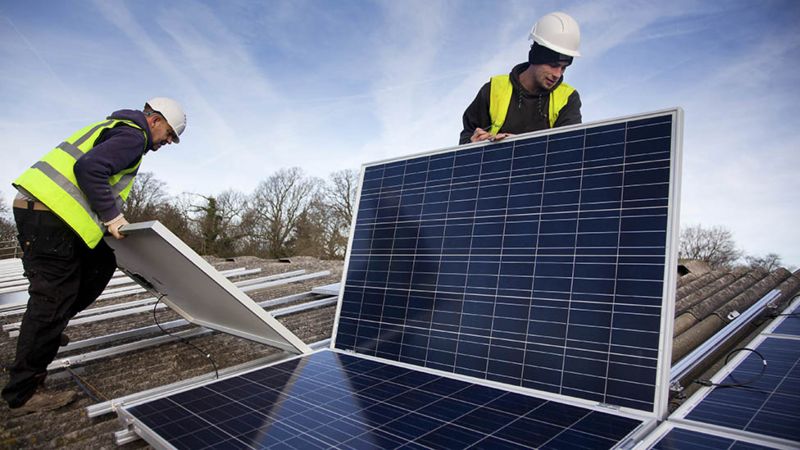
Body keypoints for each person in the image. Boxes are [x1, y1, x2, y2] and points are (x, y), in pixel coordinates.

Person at [2, 97, 186, 415]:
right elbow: (89, 168)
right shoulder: (134, 135)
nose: (168, 141)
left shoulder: (118, 128)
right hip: (49, 215)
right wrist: (113, 217)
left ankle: (48, 332)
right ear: (155, 120)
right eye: (169, 133)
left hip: (50, 213)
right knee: (52, 299)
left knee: (100, 263)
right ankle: (24, 393)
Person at [459, 11, 582, 144]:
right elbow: (467, 136)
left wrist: (519, 146)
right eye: (553, 65)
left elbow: (568, 148)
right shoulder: (494, 89)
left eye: (563, 68)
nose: (558, 74)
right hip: (495, 165)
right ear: (536, 56)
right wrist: (472, 144)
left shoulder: (568, 98)